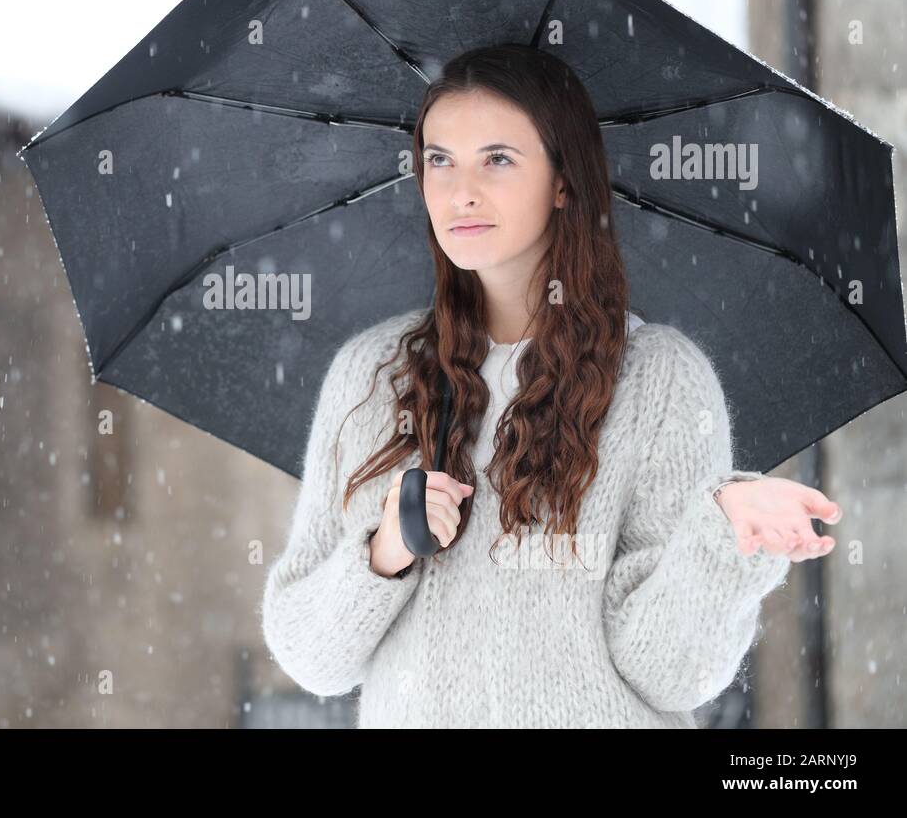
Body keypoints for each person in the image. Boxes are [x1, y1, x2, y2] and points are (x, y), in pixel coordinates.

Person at [259, 43, 840, 728]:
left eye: (498, 159)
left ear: (563, 181)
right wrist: (384, 551)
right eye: (439, 159)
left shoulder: (658, 380)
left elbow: (671, 676)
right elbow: (310, 656)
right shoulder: (373, 375)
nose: (460, 190)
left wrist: (723, 543)